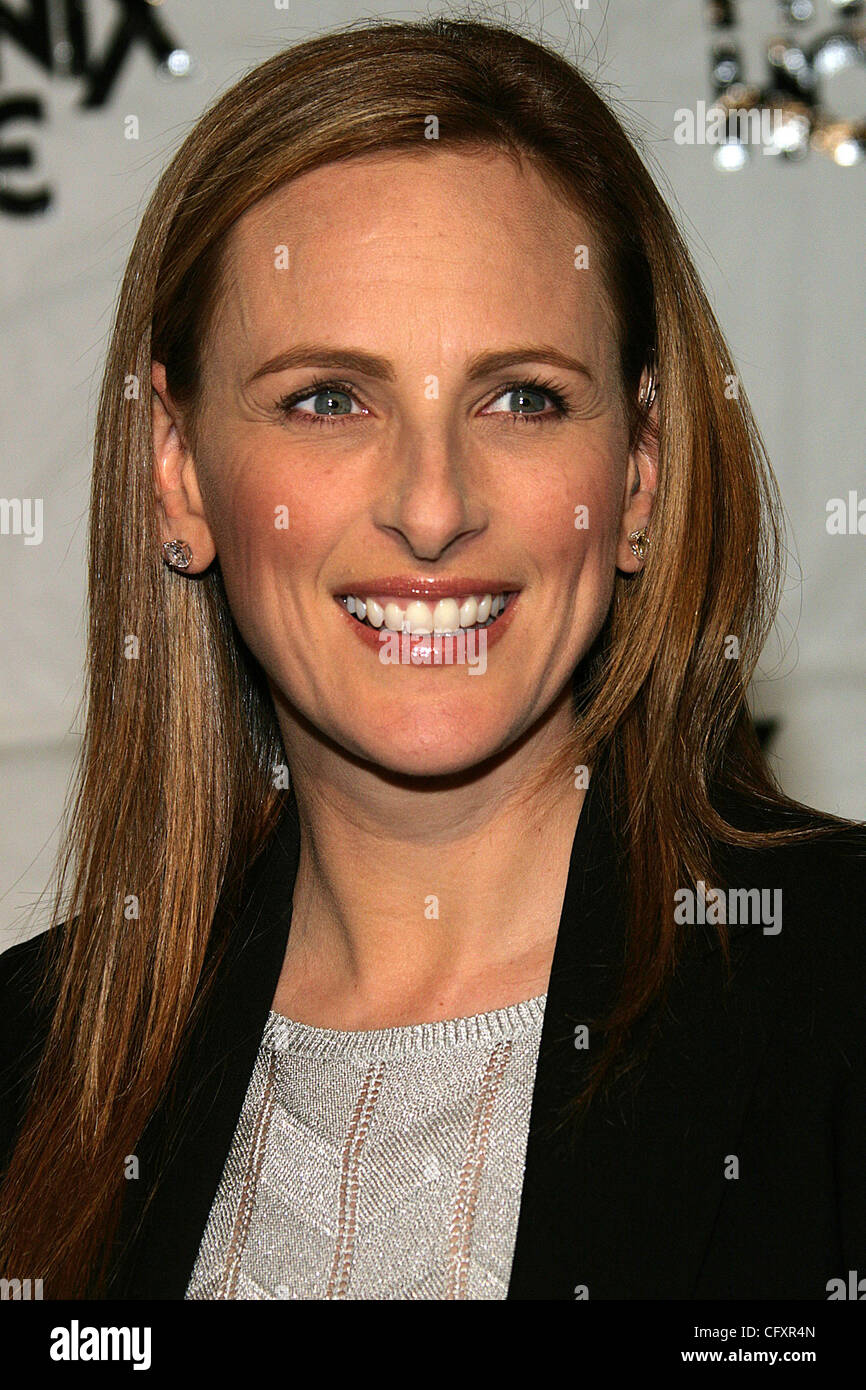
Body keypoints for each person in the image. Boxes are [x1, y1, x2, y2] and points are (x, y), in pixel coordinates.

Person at [1, 16, 864, 1302]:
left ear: (636, 476)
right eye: (325, 399)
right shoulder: (26, 1066)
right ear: (178, 475)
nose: (430, 502)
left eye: (520, 397)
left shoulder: (835, 997)